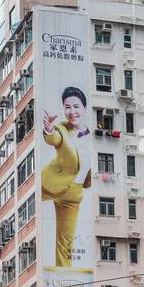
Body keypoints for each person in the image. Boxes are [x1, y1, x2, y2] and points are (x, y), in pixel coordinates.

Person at [41, 87, 91, 267]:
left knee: (66, 243)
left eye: (76, 106)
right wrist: (48, 128)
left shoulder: (93, 136)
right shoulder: (62, 128)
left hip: (73, 195)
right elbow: (54, 138)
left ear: (84, 108)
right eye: (67, 107)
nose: (72, 112)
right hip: (49, 183)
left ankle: (62, 282)